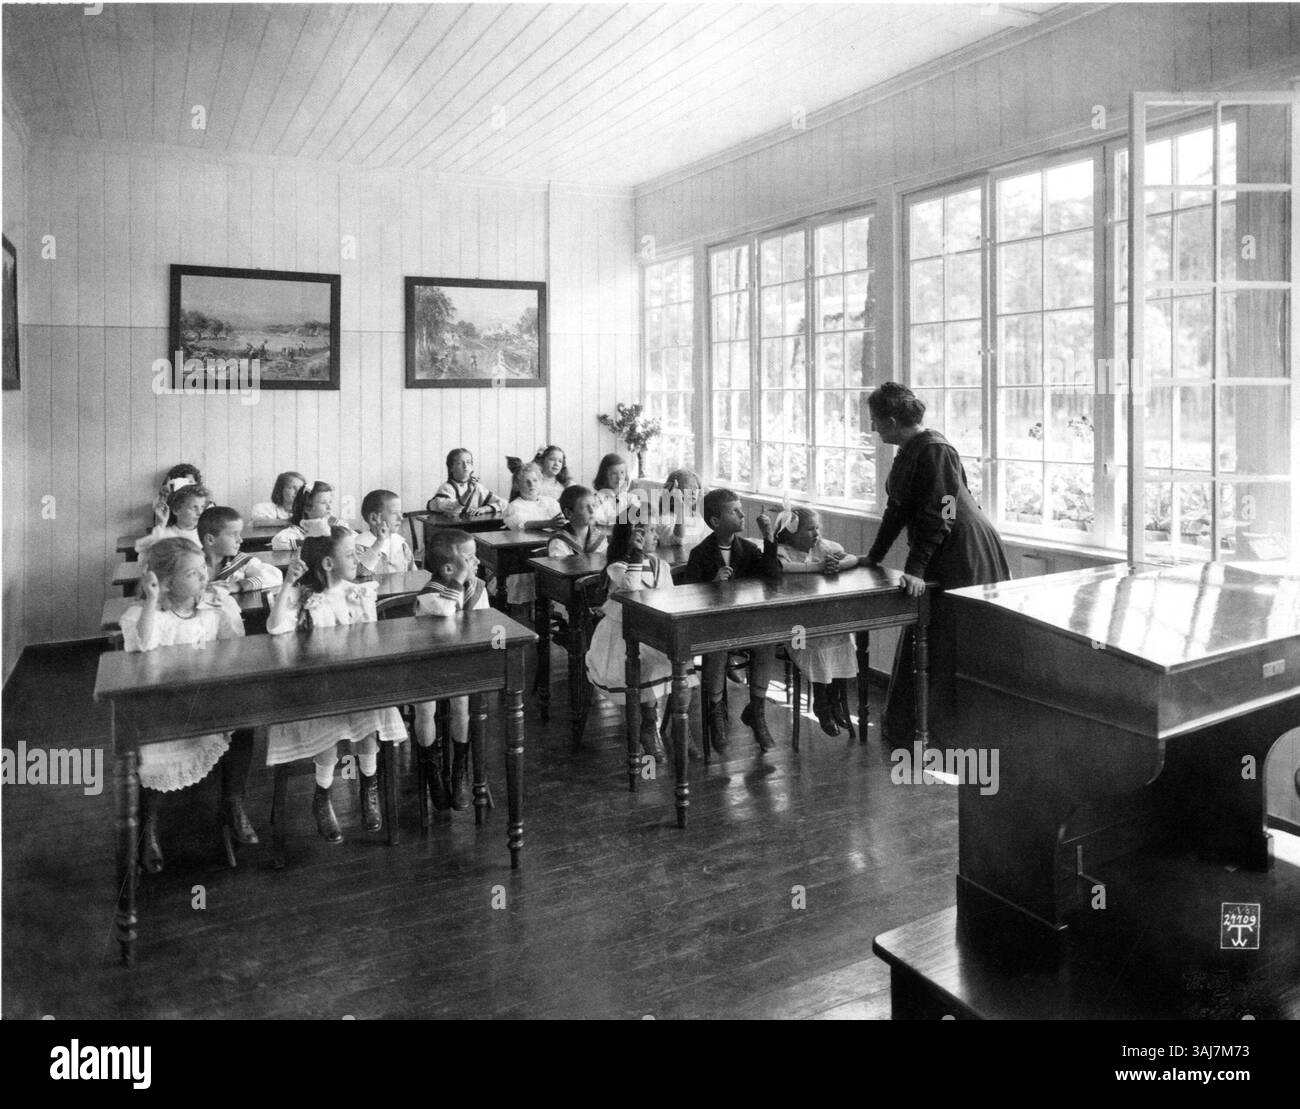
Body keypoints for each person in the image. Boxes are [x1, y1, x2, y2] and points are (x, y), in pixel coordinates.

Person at [863, 382, 1011, 746]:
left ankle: (952, 735)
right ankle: (917, 727)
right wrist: (873, 557)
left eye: (875, 422)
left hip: (963, 550)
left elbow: (940, 514)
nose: (873, 429)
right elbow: (896, 511)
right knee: (929, 633)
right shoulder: (909, 451)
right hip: (942, 546)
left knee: (950, 636)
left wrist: (915, 569)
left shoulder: (936, 451)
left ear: (893, 420)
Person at [119, 538, 258, 872]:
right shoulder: (140, 615)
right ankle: (148, 825)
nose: (204, 578)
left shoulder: (209, 609)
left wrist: (225, 607)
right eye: (193, 574)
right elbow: (143, 647)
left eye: (203, 570)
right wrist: (152, 601)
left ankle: (233, 801)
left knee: (246, 723)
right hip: (163, 707)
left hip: (204, 699)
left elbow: (235, 646)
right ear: (166, 582)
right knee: (153, 754)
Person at [265, 528, 407, 841]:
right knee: (325, 732)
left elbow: (368, 636)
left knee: (369, 723)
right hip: (316, 685)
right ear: (328, 563)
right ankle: (323, 796)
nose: (357, 558)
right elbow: (275, 628)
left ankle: (369, 789)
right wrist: (288, 583)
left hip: (355, 680)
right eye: (349, 554)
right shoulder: (303, 597)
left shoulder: (359, 592)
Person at [586, 521, 696, 762]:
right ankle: (648, 728)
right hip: (623, 634)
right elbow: (632, 586)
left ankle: (683, 730)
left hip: (654, 630)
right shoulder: (617, 567)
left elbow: (669, 598)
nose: (656, 536)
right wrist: (636, 554)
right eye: (649, 533)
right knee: (642, 674)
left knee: (680, 673)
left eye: (657, 530)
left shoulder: (661, 565)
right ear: (632, 538)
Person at [683, 489, 782, 752]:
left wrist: (769, 538)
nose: (741, 514)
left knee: (767, 641)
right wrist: (713, 584)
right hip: (711, 628)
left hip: (743, 624)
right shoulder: (700, 553)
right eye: (734, 511)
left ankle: (757, 712)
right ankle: (716, 713)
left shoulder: (748, 549)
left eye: (740, 509)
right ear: (715, 522)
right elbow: (687, 596)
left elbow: (772, 576)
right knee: (717, 648)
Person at [411, 529, 488, 811]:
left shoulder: (477, 587)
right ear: (448, 568)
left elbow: (483, 621)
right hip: (425, 662)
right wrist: (458, 580)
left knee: (461, 706)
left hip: (459, 661)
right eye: (469, 558)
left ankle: (459, 771)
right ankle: (432, 772)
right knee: (425, 710)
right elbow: (445, 610)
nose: (476, 562)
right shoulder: (429, 594)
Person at [774, 507, 862, 735]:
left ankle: (836, 702)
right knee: (815, 644)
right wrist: (818, 567)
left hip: (822, 619)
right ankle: (821, 705)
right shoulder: (782, 551)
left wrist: (837, 565)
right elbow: (783, 568)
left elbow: (852, 558)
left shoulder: (823, 547)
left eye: (817, 528)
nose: (816, 533)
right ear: (791, 533)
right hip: (795, 628)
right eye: (810, 529)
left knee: (844, 638)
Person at [501, 462, 565, 616]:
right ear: (517, 485)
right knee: (523, 591)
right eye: (526, 481)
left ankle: (544, 616)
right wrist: (548, 523)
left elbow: (561, 521)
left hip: (548, 552)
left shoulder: (550, 502)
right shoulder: (515, 506)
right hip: (523, 556)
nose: (531, 485)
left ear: (541, 482)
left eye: (535, 481)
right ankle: (522, 620)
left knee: (549, 588)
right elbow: (522, 524)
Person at [197, 506, 284, 594]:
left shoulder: (242, 562)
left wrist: (237, 585)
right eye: (233, 535)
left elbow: (275, 576)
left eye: (239, 534)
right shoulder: (190, 564)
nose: (240, 540)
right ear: (210, 540)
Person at [135, 483, 211, 557]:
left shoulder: (206, 535)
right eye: (194, 507)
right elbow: (140, 549)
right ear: (176, 510)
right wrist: (162, 523)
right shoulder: (166, 534)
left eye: (202, 508)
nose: (200, 513)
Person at [428, 449, 504, 518]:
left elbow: (503, 503)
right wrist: (468, 492)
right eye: (459, 463)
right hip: (447, 528)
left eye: (468, 462)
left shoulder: (477, 487)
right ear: (451, 468)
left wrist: (484, 509)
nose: (465, 466)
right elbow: (453, 511)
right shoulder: (446, 488)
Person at [354, 489, 415, 575]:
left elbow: (414, 575)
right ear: (374, 519)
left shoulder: (401, 544)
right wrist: (379, 542)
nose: (400, 518)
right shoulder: (359, 546)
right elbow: (360, 573)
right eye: (394, 513)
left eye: (400, 513)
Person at [271, 480, 341, 550]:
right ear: (307, 508)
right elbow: (277, 542)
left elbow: (351, 536)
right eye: (323, 503)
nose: (329, 507)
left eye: (330, 502)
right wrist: (312, 543)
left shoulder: (336, 525)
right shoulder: (298, 532)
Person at [547, 485, 607, 558]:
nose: (592, 511)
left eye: (594, 505)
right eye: (585, 507)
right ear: (569, 513)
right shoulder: (559, 542)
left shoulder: (599, 537)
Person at [655, 468, 708, 548]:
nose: (693, 492)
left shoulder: (699, 519)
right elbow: (678, 540)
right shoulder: (664, 519)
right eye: (688, 488)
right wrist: (679, 506)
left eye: (695, 488)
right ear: (673, 490)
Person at [148, 463, 203, 530]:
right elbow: (161, 534)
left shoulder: (206, 504)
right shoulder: (167, 507)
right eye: (181, 483)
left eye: (190, 482)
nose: (187, 488)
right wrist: (163, 497)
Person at [592, 452, 636, 527]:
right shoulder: (597, 500)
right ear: (604, 475)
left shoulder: (631, 498)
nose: (619, 477)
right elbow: (598, 525)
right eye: (614, 473)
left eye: (622, 472)